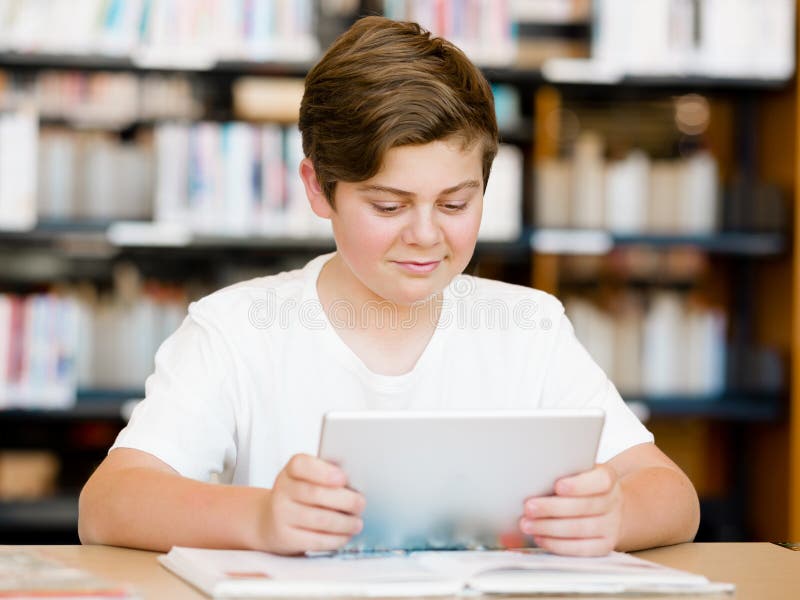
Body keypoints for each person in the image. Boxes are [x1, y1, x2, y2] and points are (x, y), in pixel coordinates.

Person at [78, 16, 699, 557]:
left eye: (456, 203)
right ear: (319, 188)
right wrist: (260, 518)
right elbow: (107, 504)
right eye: (388, 206)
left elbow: (673, 495)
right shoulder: (238, 330)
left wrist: (615, 513)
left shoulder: (529, 329)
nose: (426, 236)